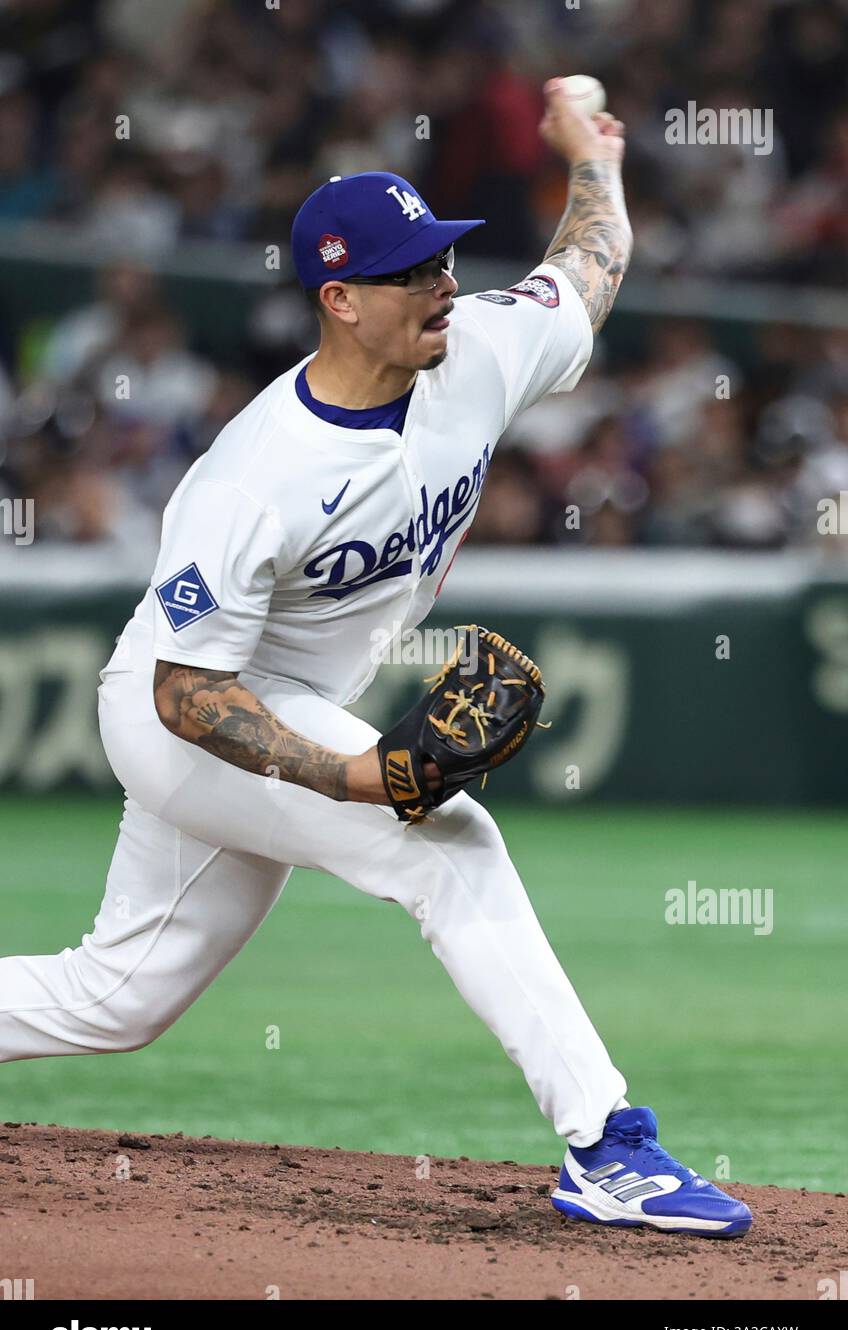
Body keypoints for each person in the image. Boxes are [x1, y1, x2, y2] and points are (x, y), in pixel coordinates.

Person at [0, 82, 751, 1237]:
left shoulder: (480, 347)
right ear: (339, 299)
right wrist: (351, 776)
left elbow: (590, 267)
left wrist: (587, 155)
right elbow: (187, 693)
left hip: (275, 697)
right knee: (450, 843)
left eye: (440, 259)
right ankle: (606, 1146)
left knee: (118, 997)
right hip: (182, 711)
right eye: (408, 272)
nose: (440, 283)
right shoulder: (253, 476)